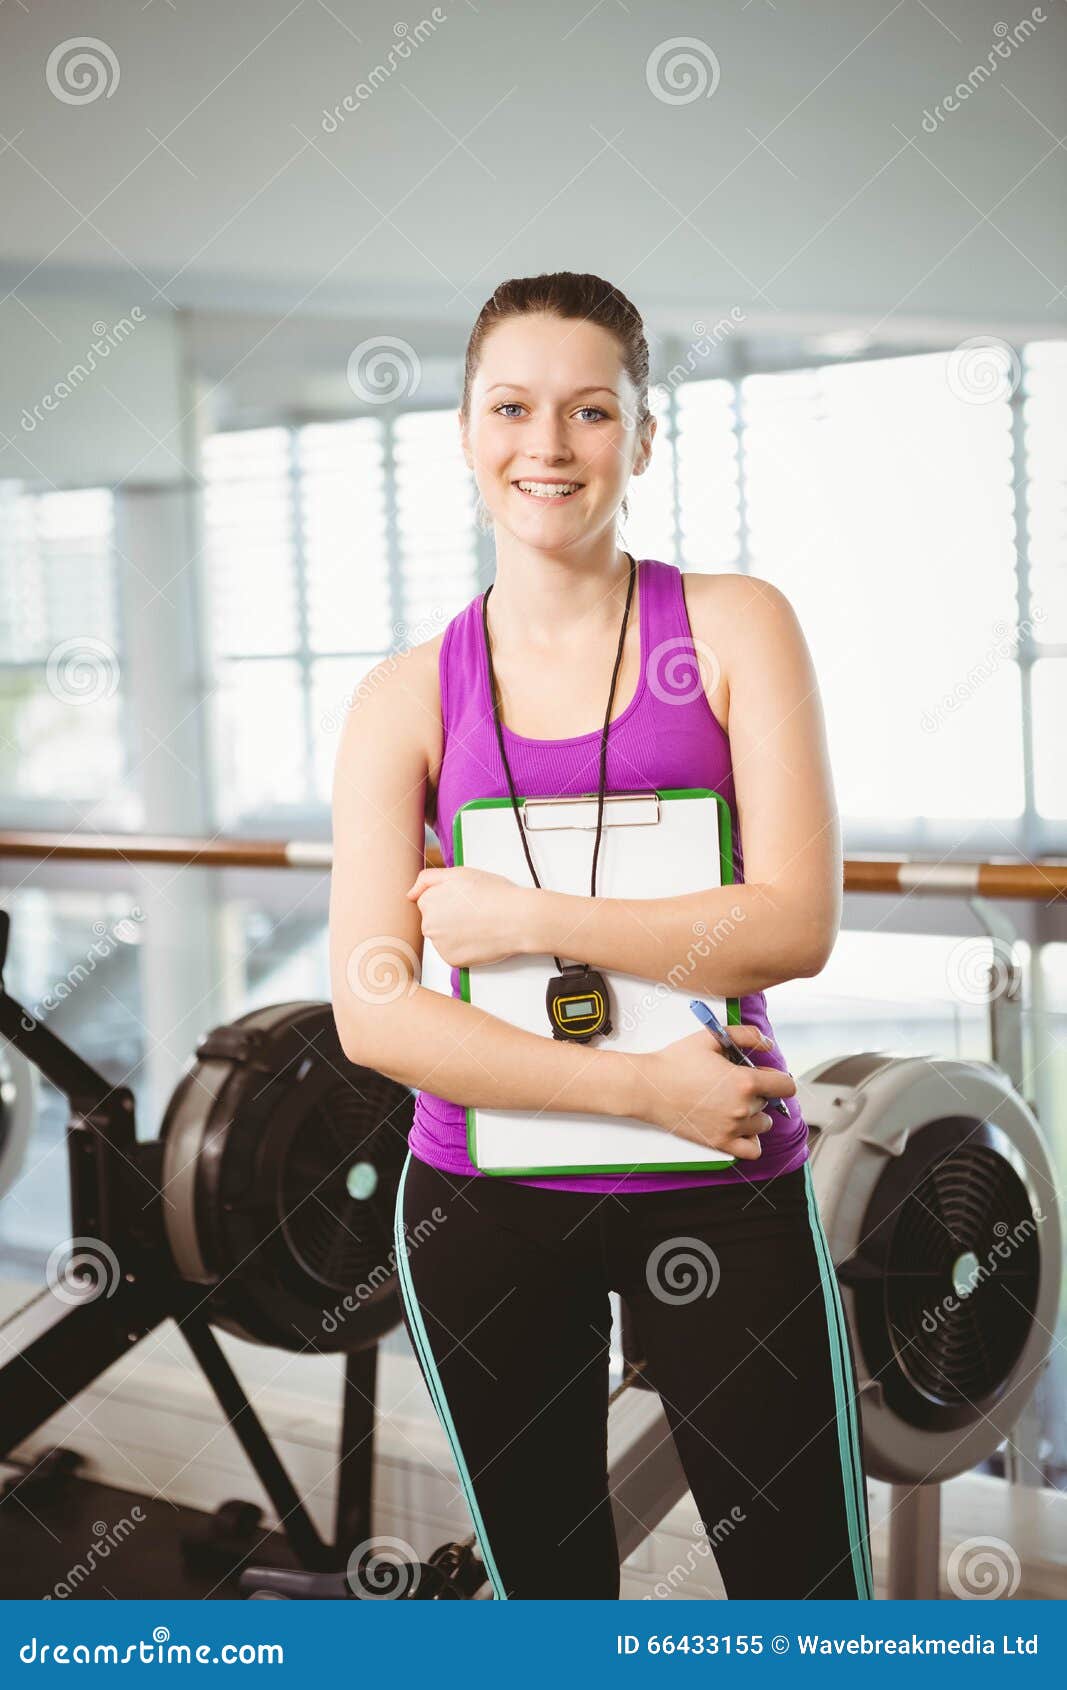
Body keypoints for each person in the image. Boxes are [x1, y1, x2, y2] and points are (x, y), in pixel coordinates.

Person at [329, 271, 874, 1601]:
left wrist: (528, 919)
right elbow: (376, 1011)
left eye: (589, 409)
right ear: (465, 431)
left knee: (804, 1598)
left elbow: (792, 922)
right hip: (484, 1205)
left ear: (642, 433)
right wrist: (642, 1085)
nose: (548, 445)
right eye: (512, 407)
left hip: (723, 1178)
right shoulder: (405, 696)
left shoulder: (738, 626)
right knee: (551, 1598)